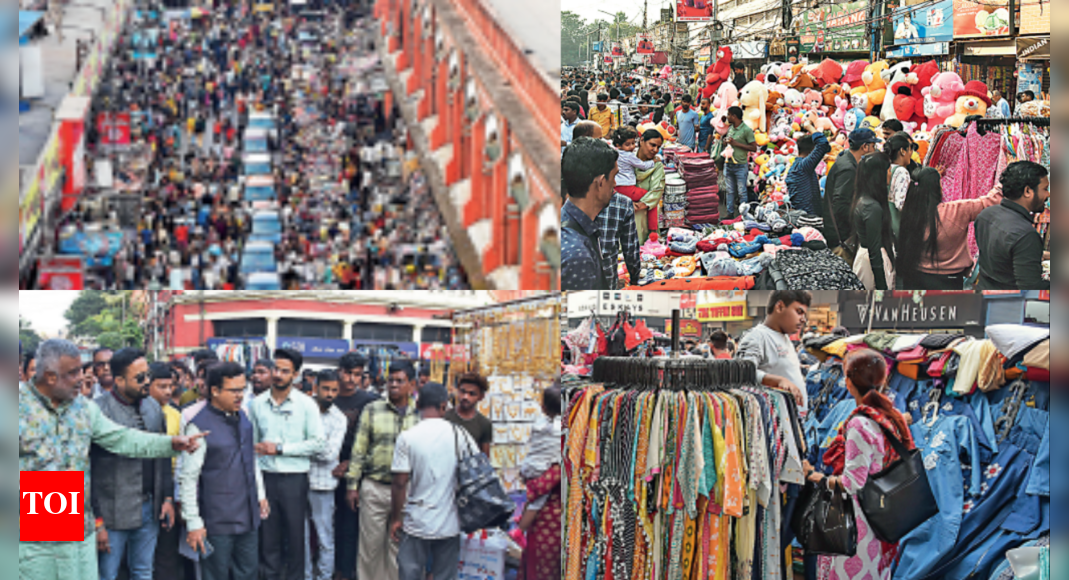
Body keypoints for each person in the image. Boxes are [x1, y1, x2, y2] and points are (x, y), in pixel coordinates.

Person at [20, 339, 206, 580]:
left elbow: (122, 438)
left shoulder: (84, 409)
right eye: (73, 372)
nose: (83, 378)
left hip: (77, 529)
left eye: (80, 369)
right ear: (50, 376)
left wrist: (170, 444)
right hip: (29, 536)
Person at [804, 349, 915, 580]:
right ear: (883, 380)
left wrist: (813, 476)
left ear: (848, 381)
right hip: (881, 515)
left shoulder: (859, 424)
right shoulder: (890, 416)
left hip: (857, 522)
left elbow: (852, 483)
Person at [180, 362, 270, 580]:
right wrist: (193, 522)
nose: (240, 396)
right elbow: (188, 478)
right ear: (215, 391)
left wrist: (260, 495)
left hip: (248, 515)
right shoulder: (198, 426)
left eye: (242, 389)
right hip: (216, 520)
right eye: (234, 390)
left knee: (248, 574)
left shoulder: (244, 418)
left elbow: (251, 459)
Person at [92, 349, 176, 580]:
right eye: (140, 378)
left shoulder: (153, 408)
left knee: (143, 571)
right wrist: (96, 520)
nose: (147, 382)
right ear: (118, 380)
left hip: (149, 507)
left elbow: (163, 455)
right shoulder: (98, 411)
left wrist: (167, 498)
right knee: (106, 574)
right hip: (112, 511)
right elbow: (87, 468)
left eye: (147, 375)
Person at [248, 348, 326, 580]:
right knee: (267, 541)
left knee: (295, 541)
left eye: (285, 371)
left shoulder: (306, 405)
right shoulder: (257, 405)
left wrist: (280, 449)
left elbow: (318, 444)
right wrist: (259, 491)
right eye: (276, 369)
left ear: (296, 375)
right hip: (266, 479)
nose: (278, 374)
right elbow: (251, 449)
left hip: (295, 480)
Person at [389, 383, 476, 580]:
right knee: (444, 575)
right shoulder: (460, 434)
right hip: (450, 521)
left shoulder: (408, 437)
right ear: (444, 406)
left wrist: (396, 518)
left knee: (409, 573)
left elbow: (400, 483)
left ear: (418, 403)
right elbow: (477, 471)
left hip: (416, 520)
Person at [346, 360, 421, 580]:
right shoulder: (372, 409)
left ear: (412, 384)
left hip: (408, 491)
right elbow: (358, 450)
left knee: (398, 546)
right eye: (391, 380)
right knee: (370, 547)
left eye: (400, 381)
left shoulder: (420, 415)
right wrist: (352, 486)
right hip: (375, 487)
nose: (394, 385)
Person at [896, 167, 1003, 289]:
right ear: (937, 189)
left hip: (914, 279)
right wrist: (1004, 181)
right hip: (949, 281)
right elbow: (988, 202)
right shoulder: (956, 211)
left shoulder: (909, 214)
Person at [975, 161, 1050, 290]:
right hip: (1008, 303)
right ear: (1027, 191)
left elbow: (1004, 256)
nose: (1048, 195)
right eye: (1045, 189)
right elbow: (1031, 287)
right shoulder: (1025, 234)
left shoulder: (986, 215)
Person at [561, 138, 620, 290]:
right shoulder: (577, 257)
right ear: (601, 183)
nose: (614, 184)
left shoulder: (570, 222)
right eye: (613, 177)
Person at [736, 291, 809, 412]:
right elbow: (741, 372)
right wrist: (778, 380)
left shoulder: (785, 338)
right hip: (774, 420)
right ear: (779, 307)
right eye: (799, 312)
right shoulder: (757, 336)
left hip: (795, 418)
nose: (803, 320)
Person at [305, 370, 348, 580]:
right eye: (326, 389)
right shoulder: (303, 410)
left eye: (334, 390)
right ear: (316, 387)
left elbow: (330, 454)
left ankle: (323, 577)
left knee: (324, 538)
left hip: (323, 485)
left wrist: (299, 448)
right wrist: (311, 447)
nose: (330, 394)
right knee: (300, 538)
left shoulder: (339, 418)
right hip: (298, 481)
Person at [147, 363, 184, 580]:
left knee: (166, 549)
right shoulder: (138, 413)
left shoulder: (176, 415)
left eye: (170, 386)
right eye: (161, 386)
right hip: (144, 486)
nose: (168, 392)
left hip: (169, 484)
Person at [822, 129, 877, 253]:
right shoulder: (848, 169)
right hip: (841, 238)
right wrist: (848, 236)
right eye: (873, 146)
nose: (874, 150)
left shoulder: (847, 160)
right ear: (865, 147)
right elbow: (841, 205)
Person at [517, 384, 561, 532]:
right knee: (537, 503)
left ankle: (521, 518)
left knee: (530, 497)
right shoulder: (561, 430)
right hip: (542, 469)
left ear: (543, 408)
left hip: (529, 465)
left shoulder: (539, 424)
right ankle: (519, 531)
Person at [851, 151, 896, 291]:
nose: (890, 174)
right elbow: (874, 251)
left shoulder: (865, 201)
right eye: (888, 170)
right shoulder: (871, 207)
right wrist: (881, 287)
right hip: (871, 265)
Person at [785, 121, 831, 216]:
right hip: (809, 217)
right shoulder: (804, 166)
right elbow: (823, 145)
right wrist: (810, 127)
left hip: (802, 215)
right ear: (813, 150)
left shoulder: (796, 166)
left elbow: (827, 148)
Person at [445, 373, 493, 456]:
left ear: (480, 397)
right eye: (462, 391)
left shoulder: (484, 424)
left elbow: (485, 459)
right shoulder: (445, 418)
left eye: (472, 394)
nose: (465, 397)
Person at [722, 106, 758, 219]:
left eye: (729, 115)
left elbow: (754, 148)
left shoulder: (746, 130)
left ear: (734, 116)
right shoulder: (730, 128)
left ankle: (744, 216)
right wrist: (725, 143)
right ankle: (730, 213)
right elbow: (729, 142)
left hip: (740, 165)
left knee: (742, 192)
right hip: (728, 164)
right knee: (729, 191)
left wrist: (736, 144)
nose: (727, 117)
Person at [633, 129, 666, 244]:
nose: (655, 150)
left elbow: (657, 189)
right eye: (652, 145)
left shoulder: (657, 165)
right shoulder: (627, 159)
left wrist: (640, 205)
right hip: (627, 208)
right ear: (642, 140)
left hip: (646, 210)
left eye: (658, 147)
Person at [885, 132, 914, 240]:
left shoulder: (887, 168)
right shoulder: (901, 172)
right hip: (897, 223)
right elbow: (901, 204)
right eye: (910, 149)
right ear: (902, 151)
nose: (911, 153)